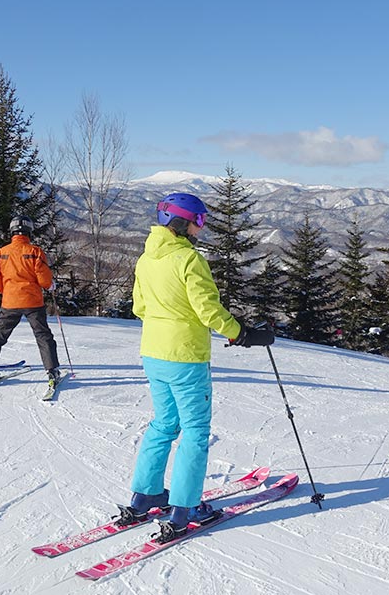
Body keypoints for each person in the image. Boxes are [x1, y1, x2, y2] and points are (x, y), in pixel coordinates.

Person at [120, 192, 274, 543]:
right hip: (185, 357)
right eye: (199, 221)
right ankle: (184, 509)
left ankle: (145, 496)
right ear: (181, 222)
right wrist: (244, 334)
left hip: (154, 355)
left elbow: (140, 308)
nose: (201, 229)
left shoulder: (147, 258)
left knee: (163, 424)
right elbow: (209, 312)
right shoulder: (189, 260)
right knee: (194, 432)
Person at [0, 215, 60, 387]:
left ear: (12, 231)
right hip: (33, 302)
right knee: (43, 336)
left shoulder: (1, 253)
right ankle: (52, 371)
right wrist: (51, 286)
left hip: (10, 302)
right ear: (29, 231)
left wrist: (6, 292)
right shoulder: (35, 251)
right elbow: (44, 279)